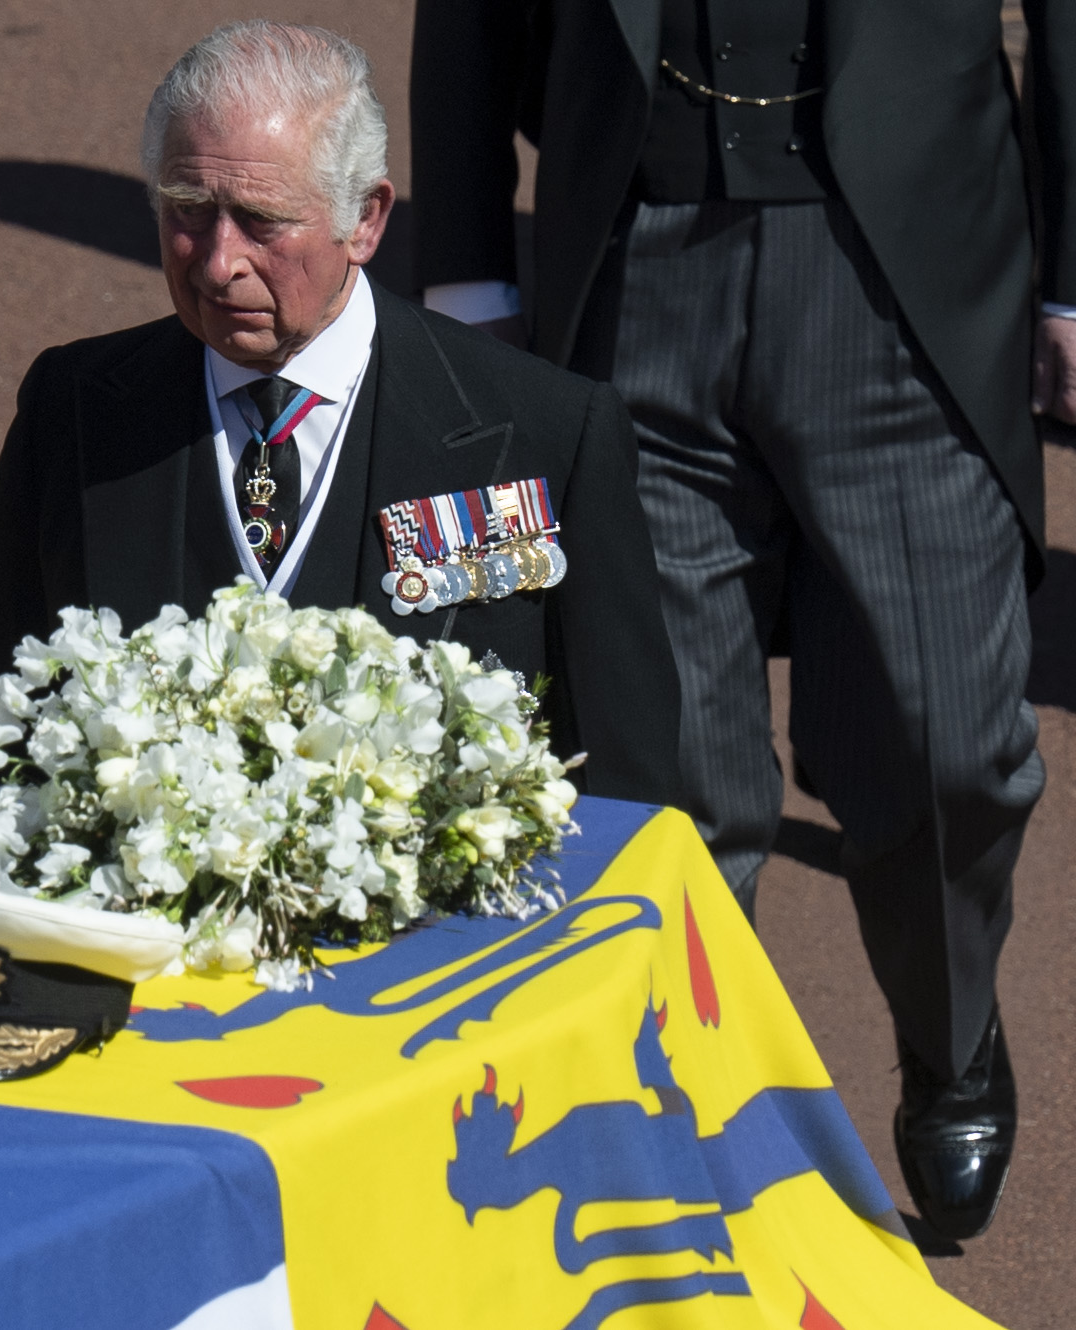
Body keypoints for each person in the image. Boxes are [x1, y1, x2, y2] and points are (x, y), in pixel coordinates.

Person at [408, 0, 1062, 1240]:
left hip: (910, 278)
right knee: (667, 774)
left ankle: (949, 1029)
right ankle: (718, 1102)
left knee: (949, 750)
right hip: (630, 260)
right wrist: (467, 265)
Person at [0, 20, 681, 808]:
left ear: (366, 221)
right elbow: (19, 742)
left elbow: (627, 786)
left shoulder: (546, 431)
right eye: (188, 210)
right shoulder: (73, 410)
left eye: (261, 219)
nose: (219, 261)